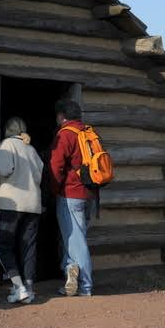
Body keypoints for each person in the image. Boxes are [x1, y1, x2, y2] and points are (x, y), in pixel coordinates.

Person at [0, 116, 44, 304]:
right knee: (28, 247)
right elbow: (39, 174)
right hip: (33, 204)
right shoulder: (31, 149)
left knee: (3, 244)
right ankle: (29, 289)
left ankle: (17, 286)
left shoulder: (7, 145)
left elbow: (4, 169)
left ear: (7, 129)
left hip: (12, 203)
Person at [48, 100, 94, 297]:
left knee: (76, 240)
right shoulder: (89, 132)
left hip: (70, 194)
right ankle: (71, 276)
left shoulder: (65, 134)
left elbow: (55, 167)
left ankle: (85, 286)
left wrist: (55, 190)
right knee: (73, 238)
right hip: (89, 194)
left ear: (62, 116)